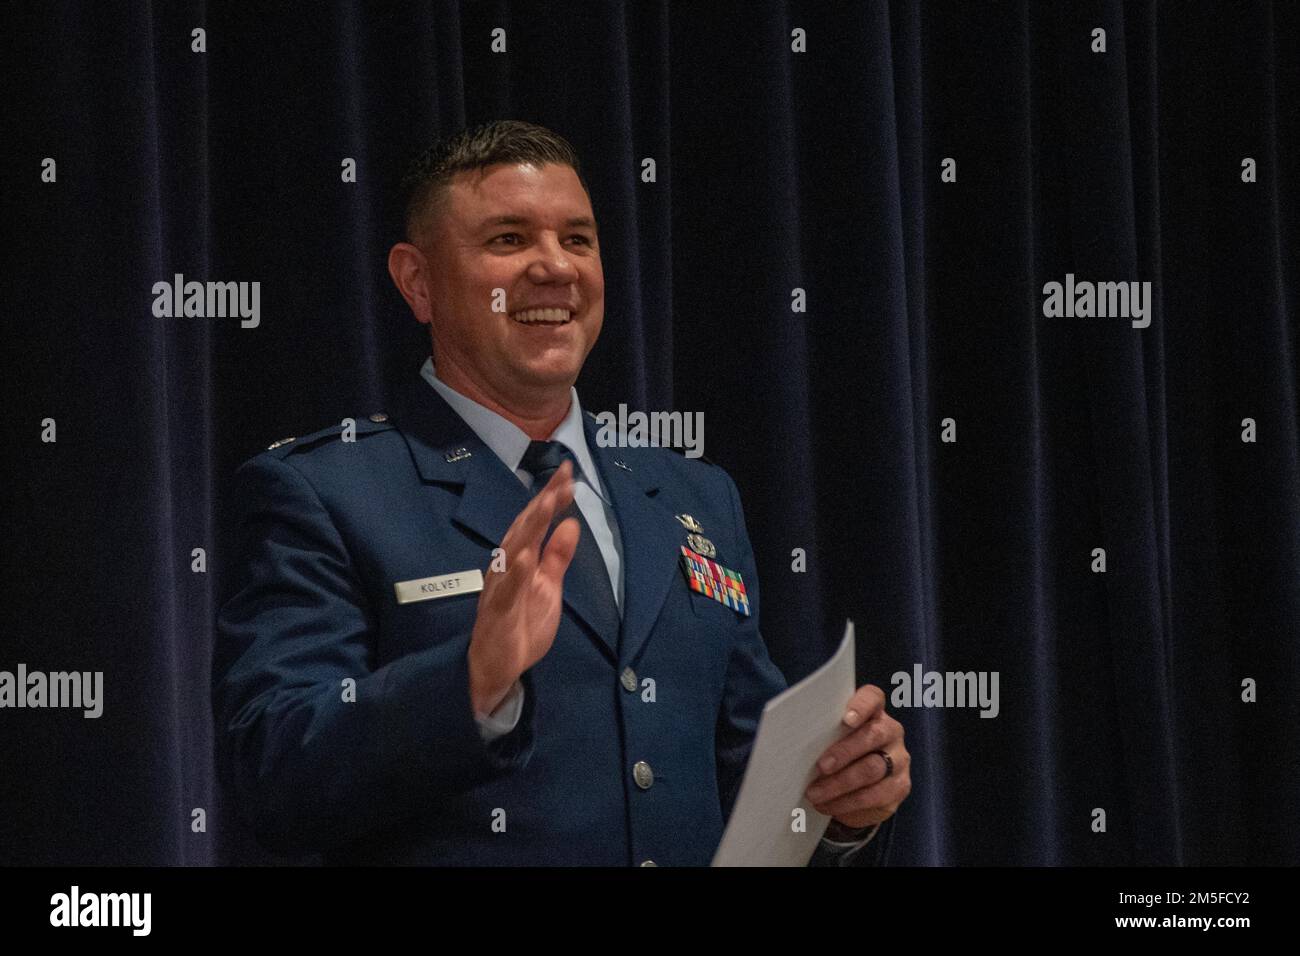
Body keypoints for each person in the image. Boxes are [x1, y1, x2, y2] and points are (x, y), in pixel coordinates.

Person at [212, 120, 910, 866]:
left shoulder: (695, 498)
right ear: (418, 282)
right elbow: (274, 774)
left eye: (578, 239)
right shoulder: (325, 492)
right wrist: (470, 683)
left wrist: (839, 808)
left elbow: (742, 784)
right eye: (509, 240)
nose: (555, 267)